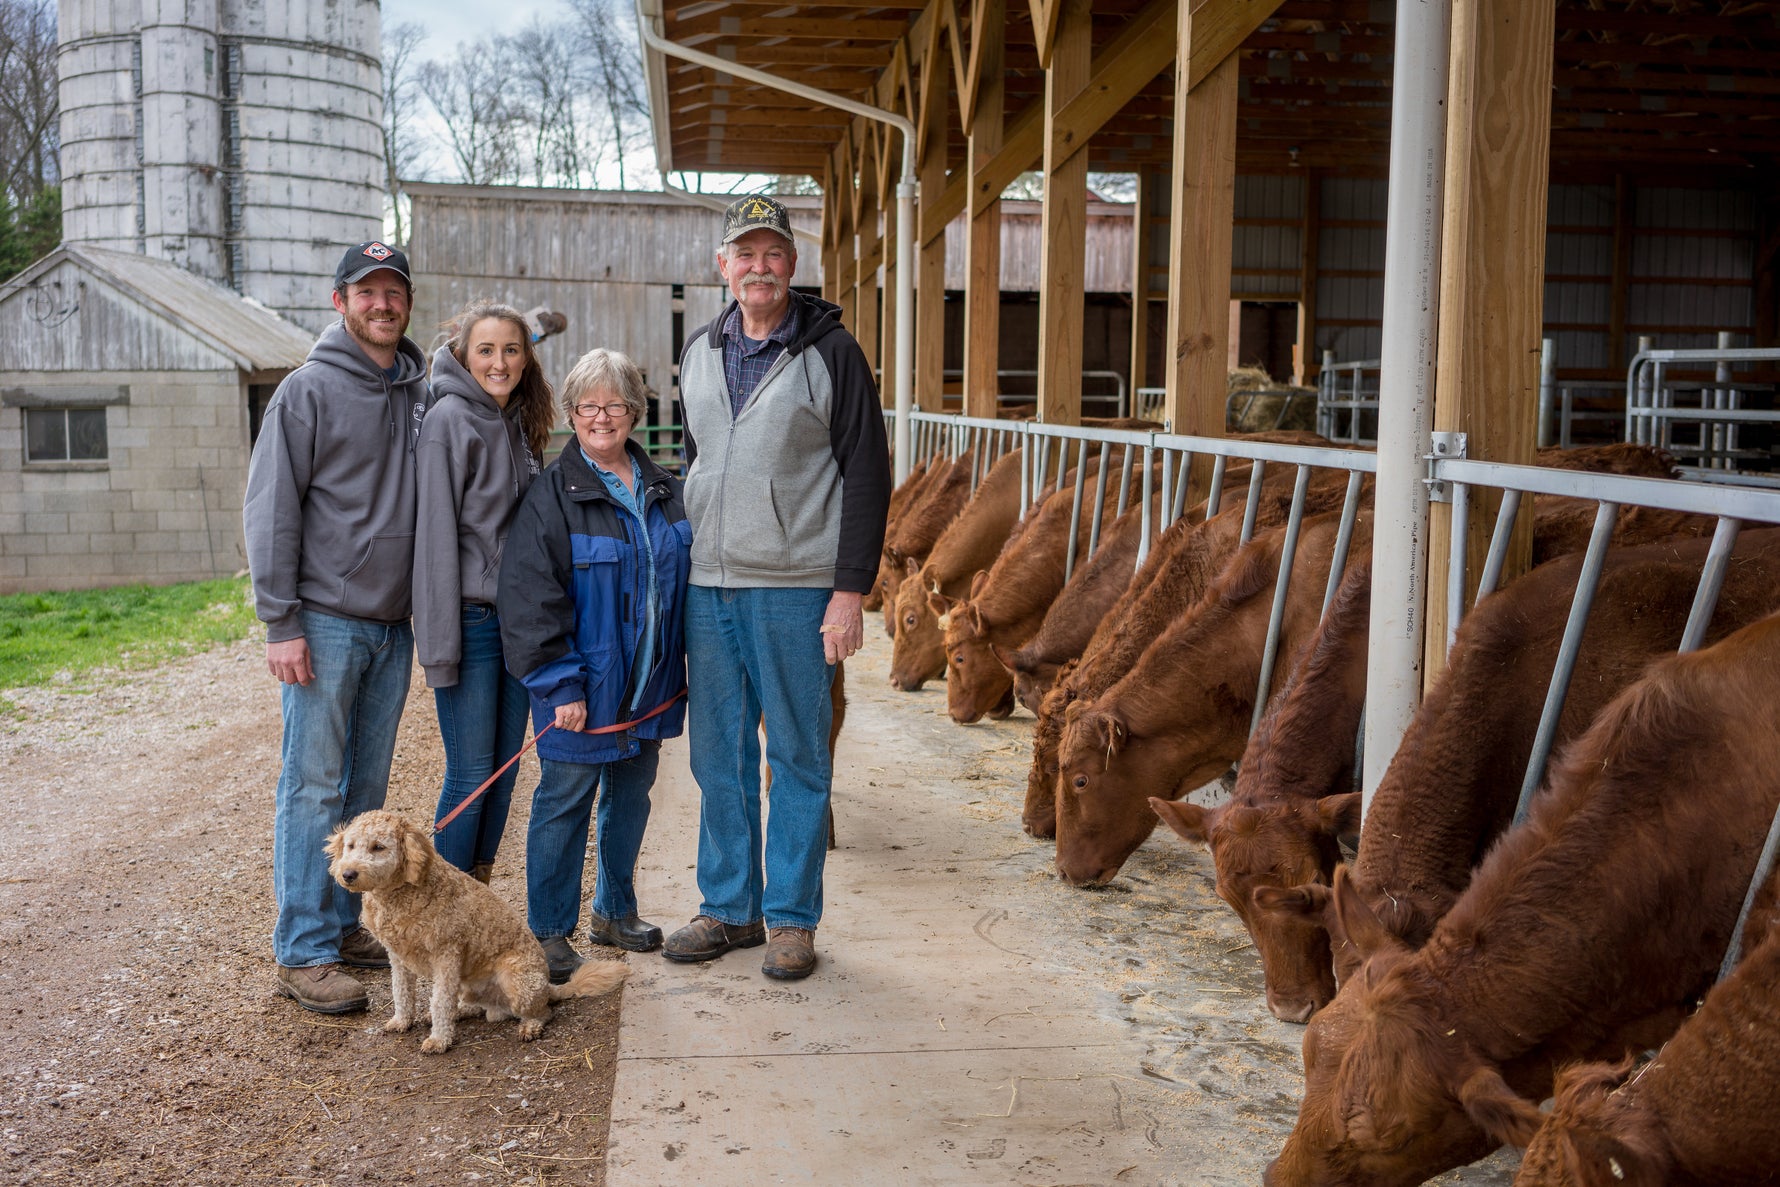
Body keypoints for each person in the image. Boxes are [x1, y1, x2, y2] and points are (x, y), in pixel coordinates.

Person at [663, 194, 891, 980]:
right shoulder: (697, 351)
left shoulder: (833, 355)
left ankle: (792, 917)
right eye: (744, 253)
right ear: (723, 265)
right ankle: (730, 907)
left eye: (772, 253)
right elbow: (698, 459)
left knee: (795, 751)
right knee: (717, 756)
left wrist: (849, 590)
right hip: (710, 587)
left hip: (796, 587)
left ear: (792, 264)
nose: (757, 267)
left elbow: (867, 475)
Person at [243, 241, 430, 1014]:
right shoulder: (306, 391)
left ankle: (347, 926)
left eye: (394, 292)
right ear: (340, 301)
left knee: (363, 792)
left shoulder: (418, 391)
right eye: (367, 292)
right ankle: (303, 950)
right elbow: (271, 508)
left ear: (407, 302)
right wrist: (280, 619)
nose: (382, 304)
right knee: (313, 785)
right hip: (323, 621)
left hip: (392, 625)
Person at [497, 348, 693, 982]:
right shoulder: (553, 497)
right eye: (588, 406)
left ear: (634, 412)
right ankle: (549, 933)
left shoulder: (666, 489)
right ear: (571, 414)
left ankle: (613, 911)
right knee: (565, 802)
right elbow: (529, 599)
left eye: (615, 405)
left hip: (650, 686)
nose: (601, 417)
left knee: (630, 799)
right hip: (585, 686)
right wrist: (560, 685)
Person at [413, 302, 556, 883]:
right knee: (471, 772)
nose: (499, 362)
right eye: (486, 350)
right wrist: (439, 645)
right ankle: (442, 907)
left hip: (517, 622)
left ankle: (476, 892)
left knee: (504, 770)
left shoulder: (521, 419)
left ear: (526, 358)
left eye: (511, 350)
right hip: (471, 620)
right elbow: (434, 538)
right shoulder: (448, 420)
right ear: (463, 355)